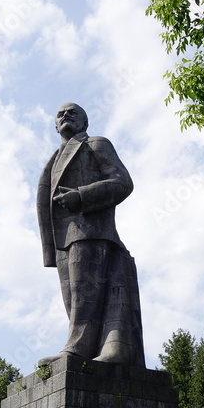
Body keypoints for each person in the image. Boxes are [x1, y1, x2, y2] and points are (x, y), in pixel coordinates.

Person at [36, 102, 145, 368]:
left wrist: (81, 196)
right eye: (59, 113)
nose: (65, 115)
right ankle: (85, 346)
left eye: (73, 112)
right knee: (75, 300)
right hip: (64, 239)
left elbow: (122, 182)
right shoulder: (54, 157)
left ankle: (76, 350)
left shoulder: (96, 144)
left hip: (91, 231)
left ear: (85, 123)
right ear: (54, 125)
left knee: (83, 295)